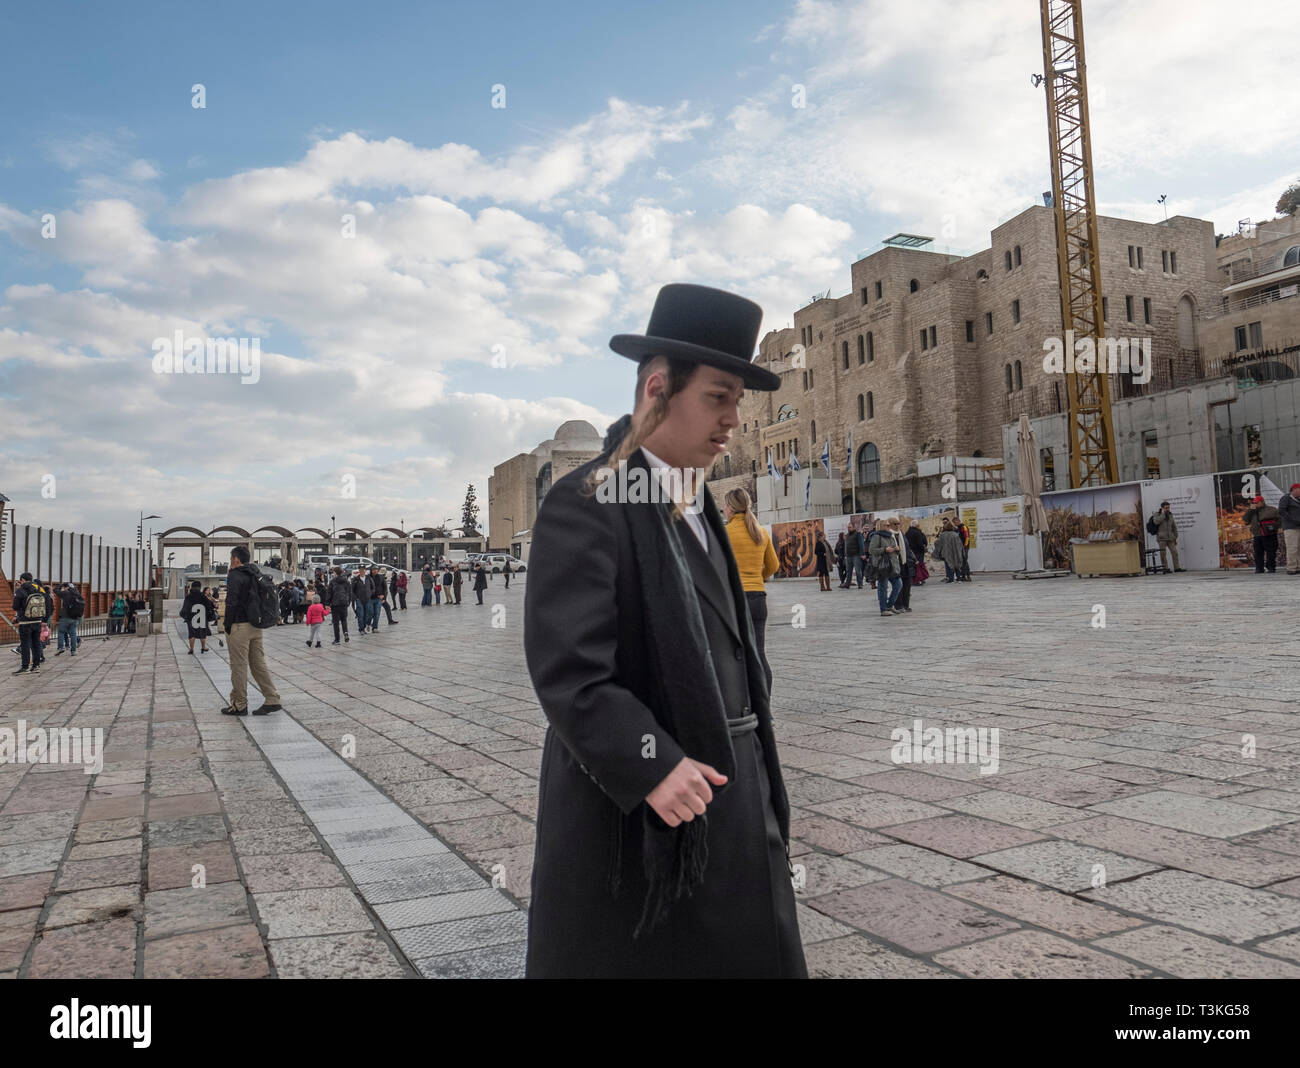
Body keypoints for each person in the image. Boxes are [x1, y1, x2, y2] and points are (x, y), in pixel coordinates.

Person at [523, 282, 805, 978]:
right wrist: (651, 763)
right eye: (718, 397)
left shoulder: (704, 504)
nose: (734, 420)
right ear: (657, 388)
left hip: (735, 804)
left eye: (739, 401)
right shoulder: (586, 502)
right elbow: (571, 671)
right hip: (640, 821)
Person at [721, 487, 779, 686]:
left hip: (734, 600)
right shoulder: (761, 532)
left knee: (736, 655)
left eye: (724, 506)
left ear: (729, 507)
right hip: (758, 599)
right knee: (759, 654)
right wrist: (757, 578)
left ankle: (744, 705)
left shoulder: (724, 533)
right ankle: (766, 709)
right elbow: (774, 565)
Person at [221, 546, 282, 716]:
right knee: (258, 664)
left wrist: (227, 624)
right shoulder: (255, 571)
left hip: (239, 626)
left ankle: (239, 704)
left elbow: (231, 602)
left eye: (231, 558)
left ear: (235, 559)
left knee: (238, 666)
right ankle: (272, 698)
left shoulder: (235, 574)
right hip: (256, 625)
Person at [12, 573, 49, 674]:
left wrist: (16, 592)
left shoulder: (20, 590)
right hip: (37, 620)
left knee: (25, 644)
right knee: (36, 643)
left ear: (22, 580)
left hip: (25, 621)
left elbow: (15, 606)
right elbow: (46, 602)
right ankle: (36, 665)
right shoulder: (38, 589)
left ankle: (25, 667)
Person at [868, 518, 903, 616]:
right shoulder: (876, 536)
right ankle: (883, 609)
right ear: (881, 526)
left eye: (889, 525)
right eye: (887, 525)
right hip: (882, 566)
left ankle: (889, 605)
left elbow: (894, 550)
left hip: (892, 565)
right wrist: (884, 549)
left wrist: (897, 549)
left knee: (898, 584)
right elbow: (871, 550)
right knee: (883, 587)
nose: (889, 527)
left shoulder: (890, 536)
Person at [1243, 495, 1281, 574]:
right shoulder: (1252, 511)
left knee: (1271, 552)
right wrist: (1250, 510)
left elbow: (1280, 519)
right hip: (1257, 534)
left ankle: (1271, 567)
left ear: (1262, 502)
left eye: (1257, 502)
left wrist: (1274, 527)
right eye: (1254, 503)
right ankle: (1259, 568)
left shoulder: (1271, 509)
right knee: (1258, 552)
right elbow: (1245, 519)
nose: (1256, 504)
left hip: (1269, 534)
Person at [180, 580, 216, 654]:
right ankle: (203, 647)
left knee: (191, 633)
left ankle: (191, 649)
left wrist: (184, 615)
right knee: (202, 633)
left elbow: (185, 607)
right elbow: (209, 604)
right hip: (201, 617)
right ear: (199, 587)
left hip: (191, 617)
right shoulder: (202, 596)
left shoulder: (188, 596)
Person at [888, 517, 915, 613]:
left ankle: (906, 605)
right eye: (895, 524)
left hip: (906, 563)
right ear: (890, 524)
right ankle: (898, 605)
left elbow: (907, 548)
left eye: (898, 523)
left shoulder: (901, 534)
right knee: (898, 585)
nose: (897, 525)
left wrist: (911, 560)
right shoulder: (889, 535)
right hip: (895, 564)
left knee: (907, 585)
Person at [1151, 500, 1184, 572]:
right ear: (1162, 508)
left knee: (1175, 552)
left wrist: (1175, 537)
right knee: (1163, 554)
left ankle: (1177, 568)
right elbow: (1156, 522)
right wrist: (1162, 514)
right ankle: (1165, 568)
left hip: (1170, 538)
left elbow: (1174, 527)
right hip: (1161, 538)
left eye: (1168, 507)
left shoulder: (1170, 515)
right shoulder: (1157, 514)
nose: (1168, 509)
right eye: (1166, 508)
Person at [55, 583, 85, 656]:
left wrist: (60, 586)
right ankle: (73, 651)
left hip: (65, 617)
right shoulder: (78, 594)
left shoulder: (66, 593)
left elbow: (55, 590)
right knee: (73, 635)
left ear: (66, 587)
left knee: (61, 632)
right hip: (75, 618)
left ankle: (61, 647)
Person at [1279, 483, 1300, 576]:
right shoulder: (1286, 498)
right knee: (1292, 547)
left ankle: (1298, 566)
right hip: (1290, 527)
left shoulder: (1298, 499)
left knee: (1298, 548)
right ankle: (1291, 568)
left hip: (1298, 526)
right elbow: (1281, 511)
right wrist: (1293, 519)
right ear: (1294, 489)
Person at [328, 566, 352, 644]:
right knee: (344, 620)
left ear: (335, 573)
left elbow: (329, 593)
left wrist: (327, 603)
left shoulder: (332, 581)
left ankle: (337, 639)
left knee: (336, 622)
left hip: (335, 604)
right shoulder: (346, 581)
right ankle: (346, 633)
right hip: (344, 603)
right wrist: (348, 601)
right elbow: (349, 592)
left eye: (334, 572)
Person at [906, 519, 929, 585]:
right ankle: (919, 579)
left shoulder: (907, 532)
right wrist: (923, 548)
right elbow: (920, 543)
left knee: (912, 566)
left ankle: (914, 580)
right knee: (919, 566)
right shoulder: (917, 532)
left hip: (910, 552)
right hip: (918, 552)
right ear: (917, 525)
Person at [844, 522, 865, 588]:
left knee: (858, 570)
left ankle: (860, 584)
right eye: (848, 527)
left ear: (854, 527)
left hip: (856, 555)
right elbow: (846, 546)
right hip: (848, 555)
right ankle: (847, 584)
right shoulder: (847, 535)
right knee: (848, 571)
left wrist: (862, 554)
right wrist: (845, 554)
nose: (848, 528)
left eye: (850, 527)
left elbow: (861, 544)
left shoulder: (858, 534)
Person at [350, 568, 371, 633]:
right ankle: (361, 629)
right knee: (360, 614)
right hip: (359, 599)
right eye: (361, 571)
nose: (362, 572)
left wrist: (370, 594)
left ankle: (365, 627)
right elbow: (352, 590)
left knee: (367, 614)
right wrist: (356, 597)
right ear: (359, 571)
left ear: (365, 571)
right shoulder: (355, 579)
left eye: (363, 571)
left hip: (367, 599)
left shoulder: (368, 578)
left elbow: (373, 587)